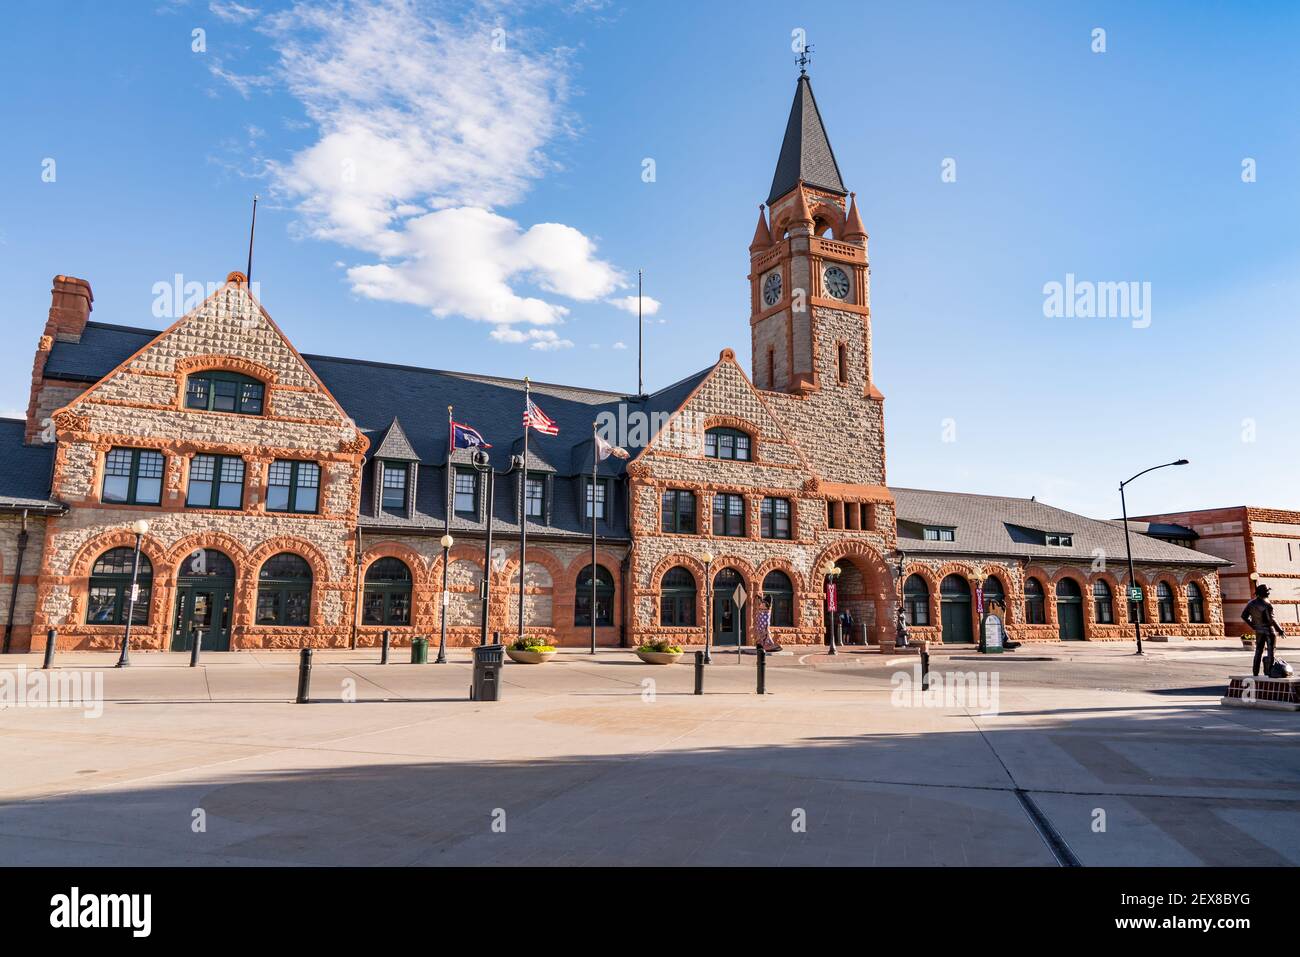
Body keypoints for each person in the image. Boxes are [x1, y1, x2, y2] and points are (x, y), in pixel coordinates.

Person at [1242, 583, 1285, 677]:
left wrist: (1253, 625)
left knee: (1258, 651)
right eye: (1267, 591)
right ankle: (1270, 672)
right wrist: (1280, 630)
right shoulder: (1267, 604)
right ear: (1262, 593)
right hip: (1269, 630)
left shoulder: (1251, 603)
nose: (1269, 592)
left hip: (1259, 630)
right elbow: (1271, 619)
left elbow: (1244, 616)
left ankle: (1255, 672)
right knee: (1271, 651)